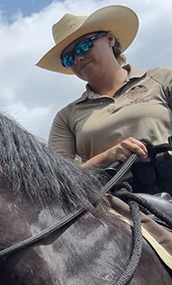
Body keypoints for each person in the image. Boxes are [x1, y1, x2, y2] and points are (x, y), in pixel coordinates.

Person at [39, 5, 172, 169]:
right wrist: (107, 156)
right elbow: (57, 179)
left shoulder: (161, 78)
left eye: (83, 46)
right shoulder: (66, 117)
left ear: (110, 39)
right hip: (108, 193)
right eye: (68, 59)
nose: (78, 58)